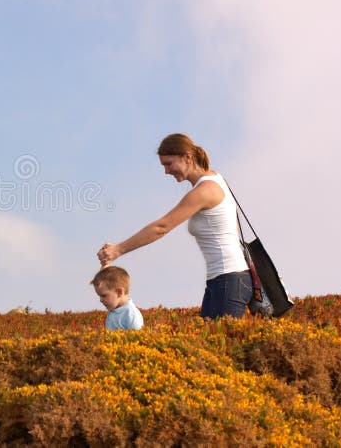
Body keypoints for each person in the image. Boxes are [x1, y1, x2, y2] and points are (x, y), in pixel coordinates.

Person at [97, 133, 252, 319]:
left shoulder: (205, 190)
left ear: (187, 157)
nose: (166, 171)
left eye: (169, 164)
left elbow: (161, 227)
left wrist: (118, 250)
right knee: (209, 342)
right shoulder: (216, 178)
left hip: (229, 279)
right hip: (222, 280)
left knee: (221, 343)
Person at [90, 265, 144, 330]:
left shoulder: (130, 314)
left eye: (104, 296)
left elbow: (137, 337)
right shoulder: (114, 310)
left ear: (119, 292)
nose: (101, 300)